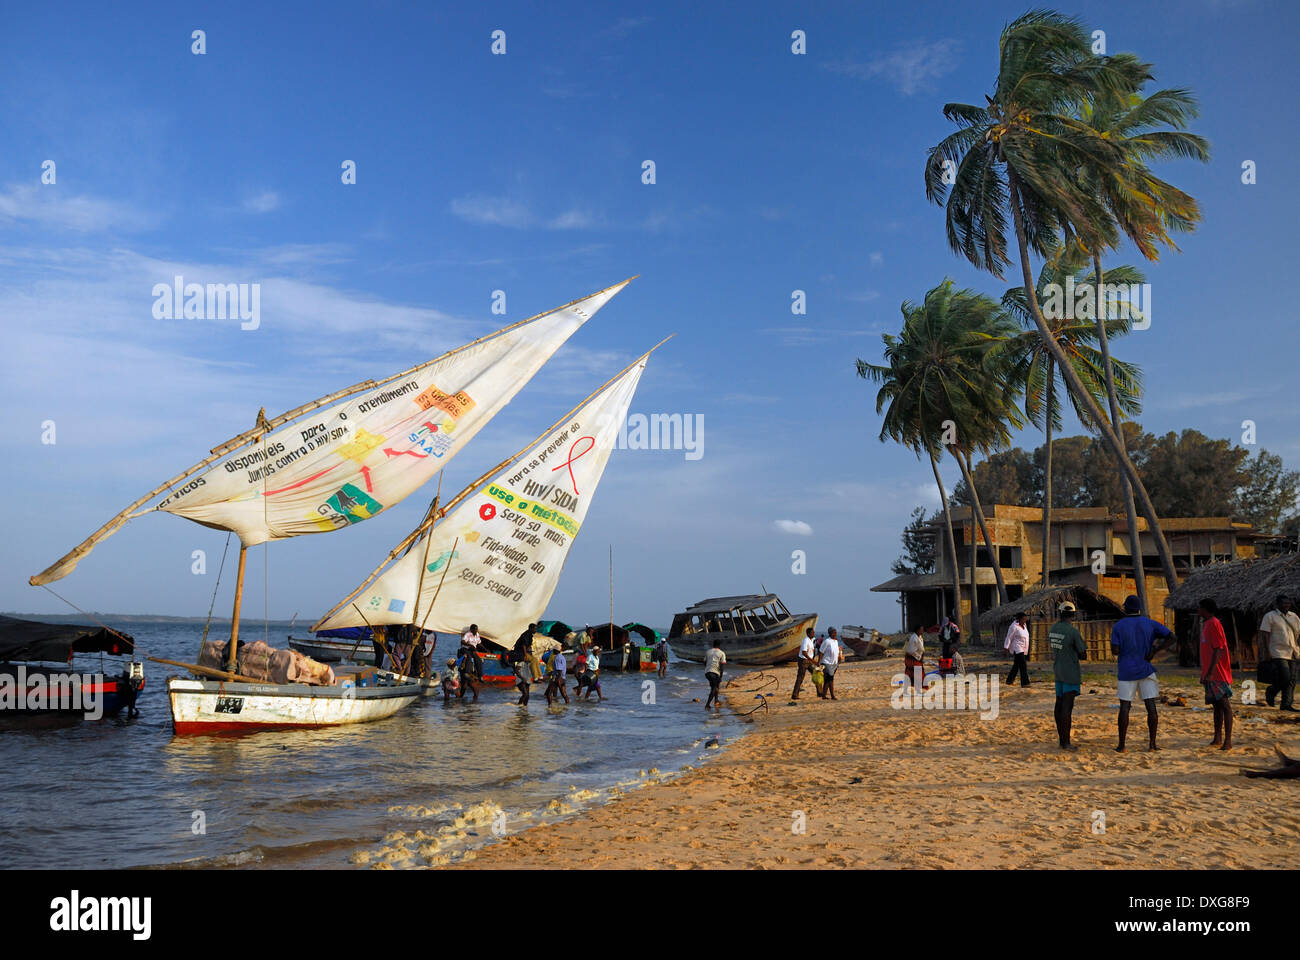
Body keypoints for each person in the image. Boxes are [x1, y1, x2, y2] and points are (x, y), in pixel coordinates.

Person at [1111, 594, 1176, 752]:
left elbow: (1115, 650)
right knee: (1151, 706)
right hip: (1146, 669)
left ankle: (1122, 745)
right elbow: (1172, 637)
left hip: (1126, 671)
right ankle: (1152, 744)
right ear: (1139, 608)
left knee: (1125, 707)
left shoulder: (1118, 626)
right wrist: (1155, 650)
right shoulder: (1150, 623)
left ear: (1125, 608)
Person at [1048, 601, 1086, 749]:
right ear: (1073, 614)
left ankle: (1061, 740)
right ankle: (1066, 742)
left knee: (1058, 705)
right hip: (1070, 671)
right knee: (1067, 708)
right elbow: (1083, 653)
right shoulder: (1073, 632)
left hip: (1058, 670)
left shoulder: (1053, 628)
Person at [1199, 598, 1233, 749]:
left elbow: (1218, 649)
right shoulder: (1207, 624)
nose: (1198, 611)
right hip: (1210, 672)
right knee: (1216, 706)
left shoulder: (1214, 624)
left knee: (1225, 705)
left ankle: (1228, 741)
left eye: (1200, 608)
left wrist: (1211, 672)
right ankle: (1217, 737)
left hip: (1218, 673)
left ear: (1205, 609)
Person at [1256, 595, 1299, 711]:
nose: (1286, 605)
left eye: (1288, 603)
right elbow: (1266, 634)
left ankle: (1286, 704)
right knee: (1286, 677)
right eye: (1284, 603)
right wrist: (1267, 651)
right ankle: (1271, 690)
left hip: (1293, 651)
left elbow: (1297, 633)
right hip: (1277, 651)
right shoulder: (1270, 616)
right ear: (1278, 604)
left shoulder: (1294, 617)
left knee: (1292, 679)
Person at [1004, 612, 1031, 687]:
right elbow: (1009, 637)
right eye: (1023, 619)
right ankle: (1025, 683)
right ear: (1019, 619)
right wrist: (1006, 647)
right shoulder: (1013, 626)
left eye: (1025, 619)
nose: (1025, 620)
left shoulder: (1025, 626)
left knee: (1016, 665)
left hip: (1023, 647)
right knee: (1023, 665)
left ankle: (1009, 680)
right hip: (1017, 648)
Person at [792, 626, 816, 700]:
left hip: (809, 661)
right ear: (808, 634)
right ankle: (795, 695)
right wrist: (812, 660)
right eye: (812, 633)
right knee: (800, 677)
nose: (814, 633)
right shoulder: (806, 640)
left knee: (816, 674)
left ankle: (820, 692)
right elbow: (804, 652)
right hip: (803, 661)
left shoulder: (811, 640)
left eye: (814, 632)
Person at [511, 626, 533, 706]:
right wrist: (522, 678)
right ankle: (519, 706)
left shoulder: (530, 663)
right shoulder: (522, 662)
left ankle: (524, 709)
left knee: (527, 696)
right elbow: (516, 670)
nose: (531, 654)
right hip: (521, 680)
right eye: (530, 653)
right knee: (525, 695)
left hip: (527, 680)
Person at [818, 628, 841, 701]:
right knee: (830, 679)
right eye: (833, 633)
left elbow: (836, 652)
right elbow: (821, 652)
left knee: (828, 680)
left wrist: (838, 660)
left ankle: (824, 695)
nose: (835, 634)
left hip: (834, 663)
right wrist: (819, 662)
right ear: (830, 633)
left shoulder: (836, 641)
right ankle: (832, 695)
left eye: (835, 632)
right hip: (826, 663)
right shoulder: (826, 641)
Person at [704, 639, 726, 710]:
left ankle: (716, 700)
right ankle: (707, 705)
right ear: (719, 645)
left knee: (714, 686)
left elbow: (704, 662)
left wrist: (707, 667)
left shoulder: (708, 652)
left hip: (707, 672)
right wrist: (721, 676)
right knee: (714, 687)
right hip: (715, 672)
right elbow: (722, 666)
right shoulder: (721, 653)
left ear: (713, 644)